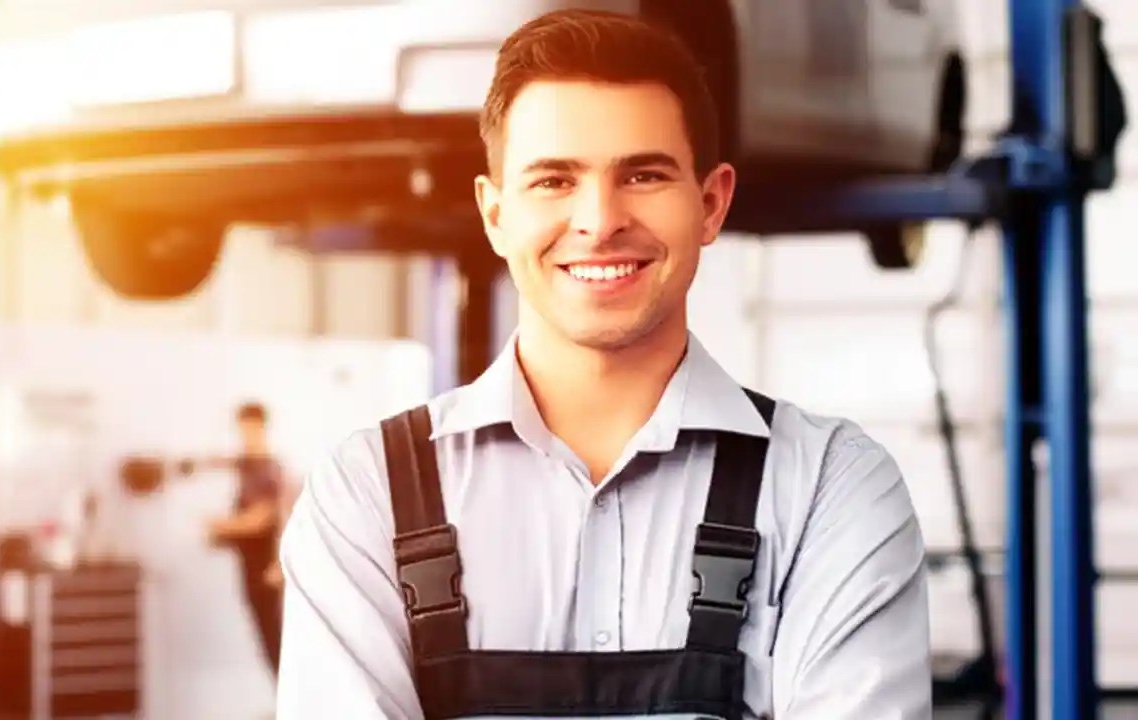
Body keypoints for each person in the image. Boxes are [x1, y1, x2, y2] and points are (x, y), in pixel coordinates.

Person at [277, 9, 930, 719]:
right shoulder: (367, 494)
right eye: (554, 181)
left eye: (643, 175)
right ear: (495, 215)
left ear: (710, 204)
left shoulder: (827, 491)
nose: (599, 220)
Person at [189, 401, 296, 681]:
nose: (245, 437)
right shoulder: (246, 466)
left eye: (250, 430)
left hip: (267, 570)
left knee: (277, 642)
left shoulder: (269, 470)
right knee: (267, 640)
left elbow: (260, 519)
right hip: (250, 566)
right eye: (241, 431)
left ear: (261, 428)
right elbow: (219, 461)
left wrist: (219, 526)